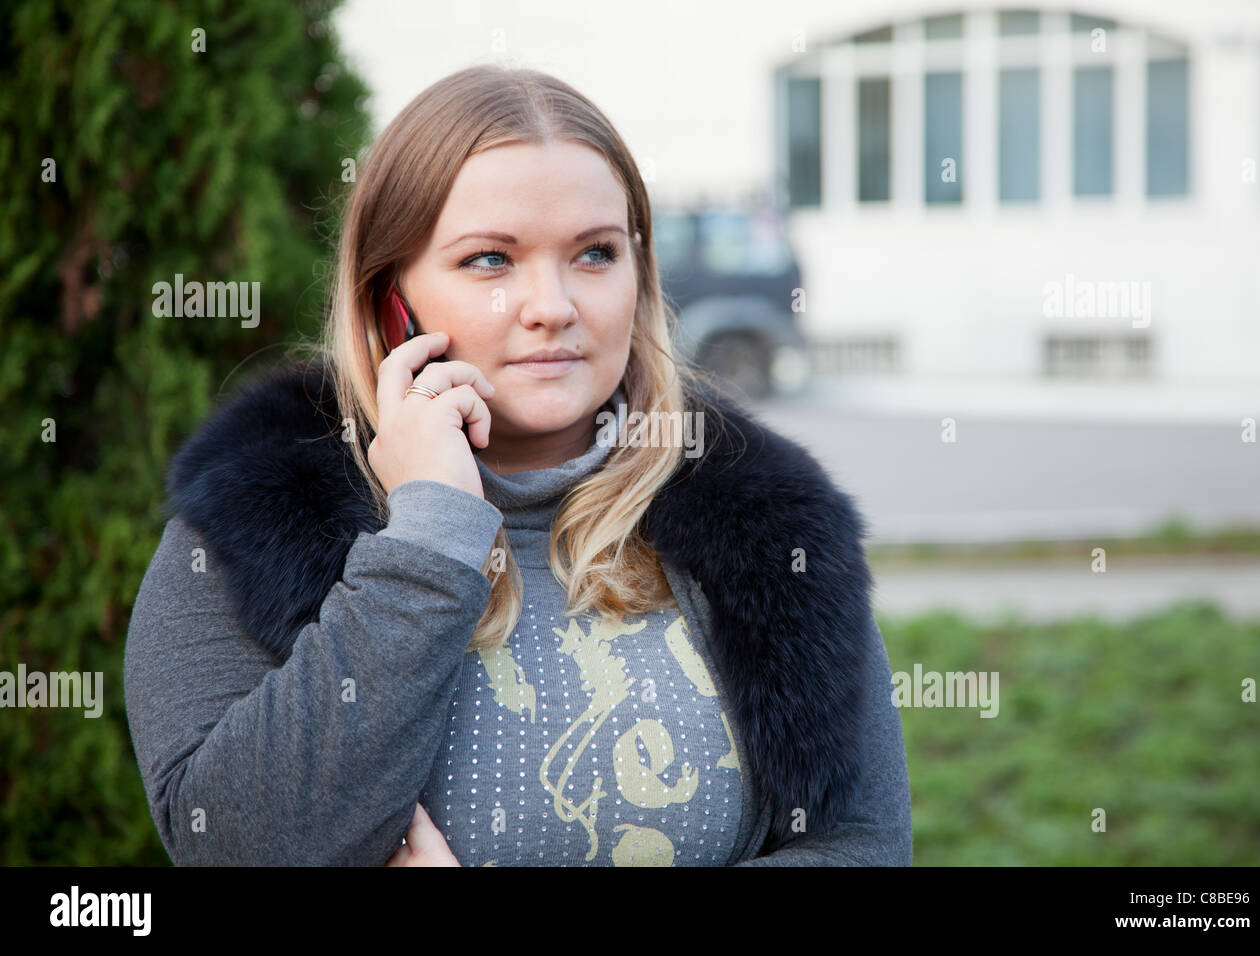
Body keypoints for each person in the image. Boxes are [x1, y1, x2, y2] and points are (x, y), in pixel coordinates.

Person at [123, 64, 911, 867]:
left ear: (640, 279)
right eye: (491, 261)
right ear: (387, 298)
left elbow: (861, 844)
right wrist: (428, 537)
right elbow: (230, 846)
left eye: (595, 254)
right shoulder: (250, 524)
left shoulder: (771, 526)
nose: (553, 305)